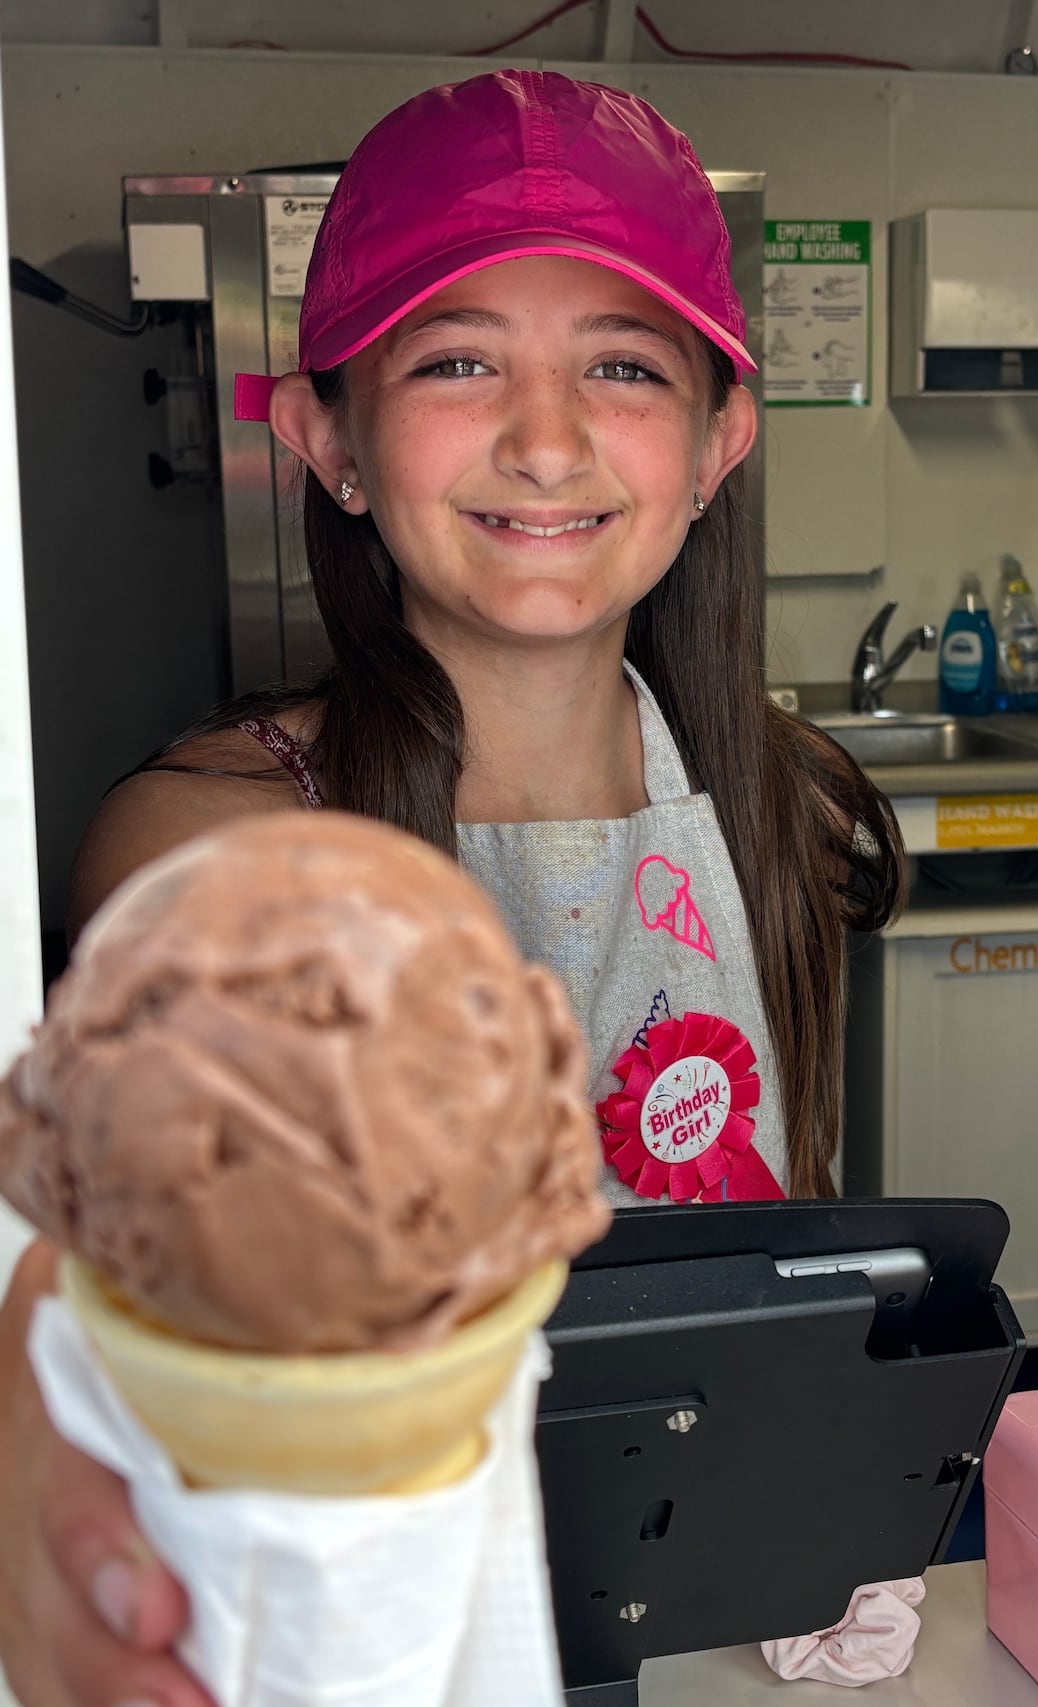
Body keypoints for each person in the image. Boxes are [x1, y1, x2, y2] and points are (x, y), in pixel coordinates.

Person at [0, 69, 904, 1704]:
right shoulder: (207, 837)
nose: (547, 439)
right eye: (459, 358)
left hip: (678, 1589)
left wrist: (823, 1470)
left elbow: (789, 1199)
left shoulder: (768, 799)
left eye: (622, 365)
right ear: (329, 442)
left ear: (718, 443)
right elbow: (144, 1198)